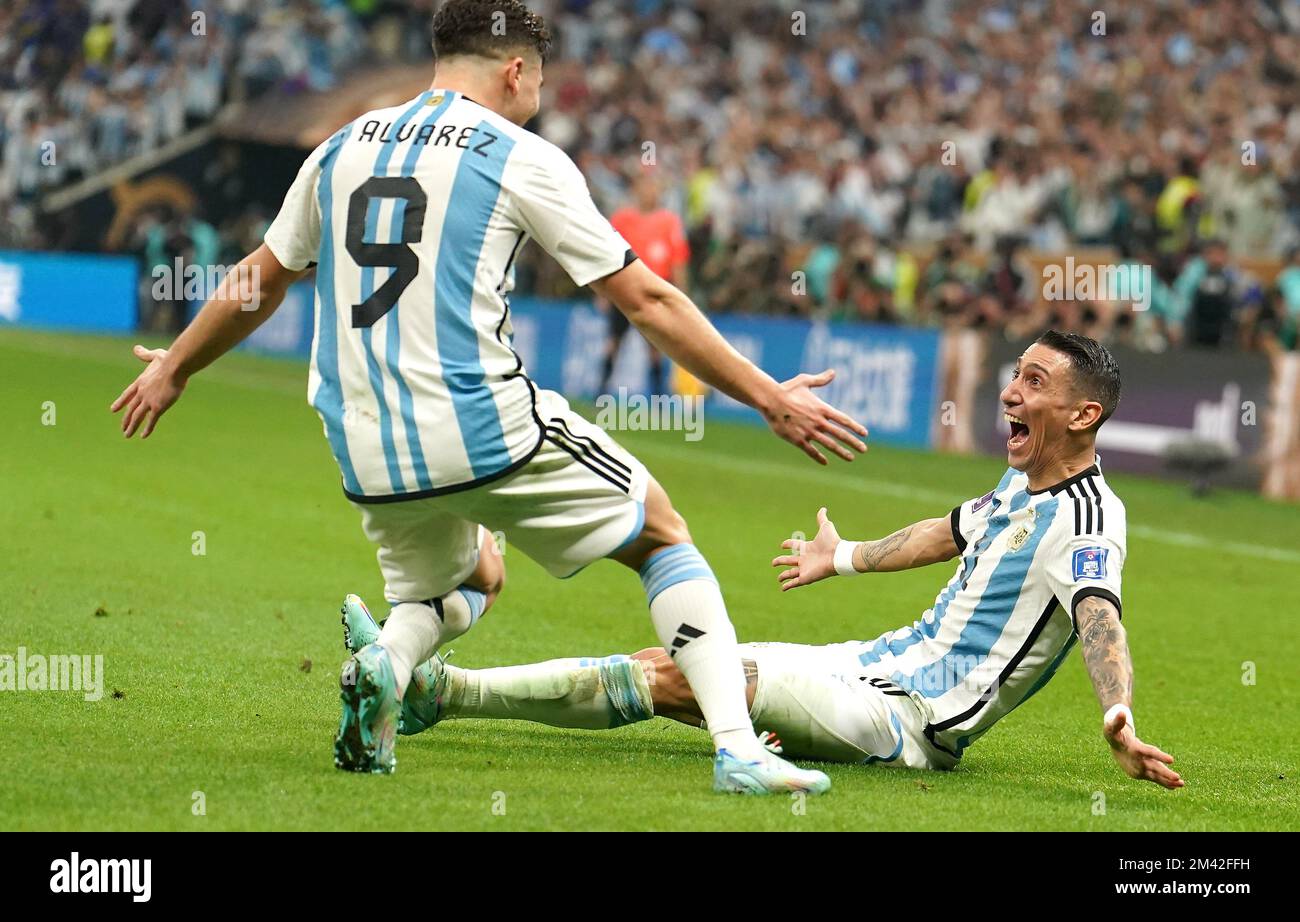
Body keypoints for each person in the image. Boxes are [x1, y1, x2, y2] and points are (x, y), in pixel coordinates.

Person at [109, 0, 867, 795]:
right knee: (660, 534)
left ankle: (388, 663)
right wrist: (767, 397)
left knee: (473, 580)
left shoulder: (339, 147)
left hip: (364, 444)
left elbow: (258, 279)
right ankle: (739, 749)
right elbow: (647, 300)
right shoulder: (519, 156)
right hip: (481, 423)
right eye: (538, 79)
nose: (537, 95)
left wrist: (176, 368)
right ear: (514, 70)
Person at [339, 332, 1184, 792]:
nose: (1010, 392)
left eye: (1033, 382)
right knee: (681, 663)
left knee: (685, 679)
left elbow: (1097, 615)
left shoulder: (1088, 516)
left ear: (1083, 414)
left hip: (910, 719)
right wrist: (842, 557)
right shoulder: (1020, 483)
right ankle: (433, 693)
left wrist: (1117, 715)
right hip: (869, 664)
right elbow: (946, 531)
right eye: (1015, 375)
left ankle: (441, 692)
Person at [600, 169, 689, 396]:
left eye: (653, 187)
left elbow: (678, 260)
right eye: (644, 186)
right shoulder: (622, 218)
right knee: (613, 341)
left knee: (655, 345)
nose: (649, 192)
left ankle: (657, 394)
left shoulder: (669, 221)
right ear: (636, 190)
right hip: (623, 289)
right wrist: (601, 292)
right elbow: (605, 255)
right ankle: (601, 390)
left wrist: (681, 295)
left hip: (655, 291)